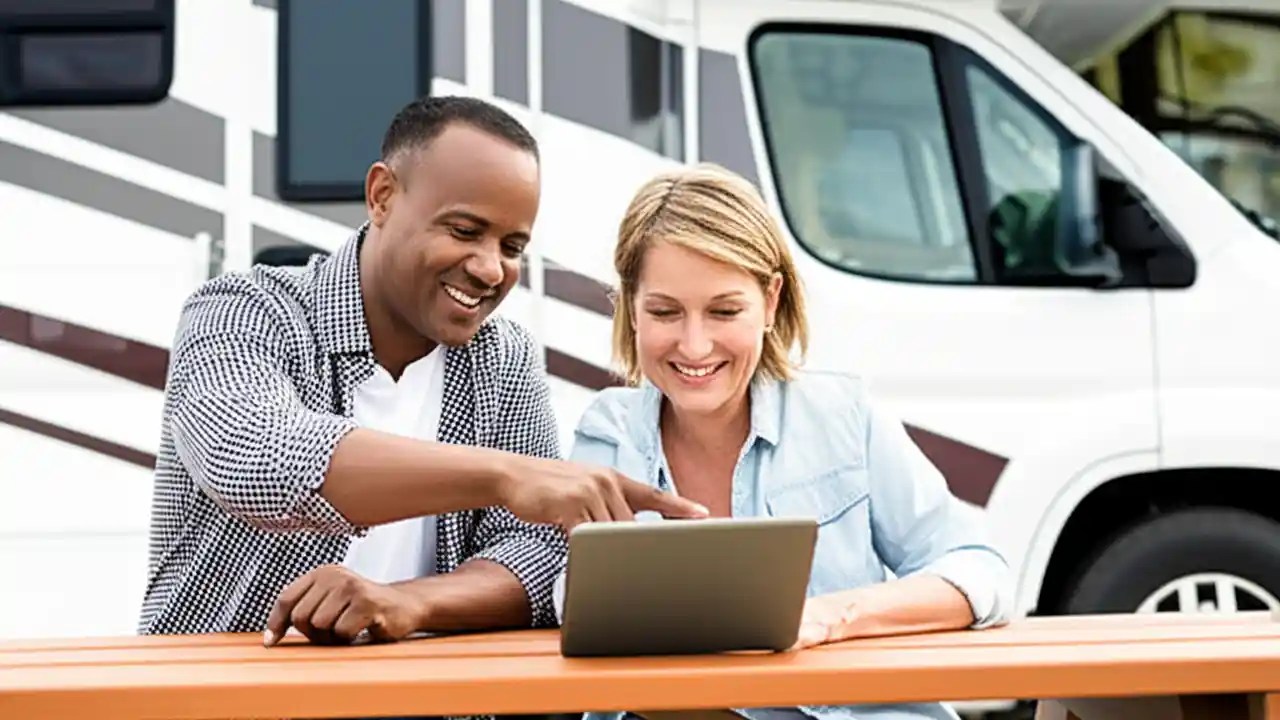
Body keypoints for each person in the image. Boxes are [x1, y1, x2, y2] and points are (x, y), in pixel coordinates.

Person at [138, 96, 707, 646]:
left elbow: (533, 554)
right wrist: (505, 476)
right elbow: (255, 461)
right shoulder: (241, 310)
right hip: (226, 694)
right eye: (464, 231)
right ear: (382, 196)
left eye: (512, 246)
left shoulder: (504, 358)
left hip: (417, 693)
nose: (491, 269)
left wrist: (407, 602)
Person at [561, 163, 1014, 720]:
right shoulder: (608, 434)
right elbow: (575, 604)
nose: (695, 345)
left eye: (725, 311)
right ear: (632, 307)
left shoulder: (843, 416)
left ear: (771, 301)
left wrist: (833, 616)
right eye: (665, 312)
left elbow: (979, 570)